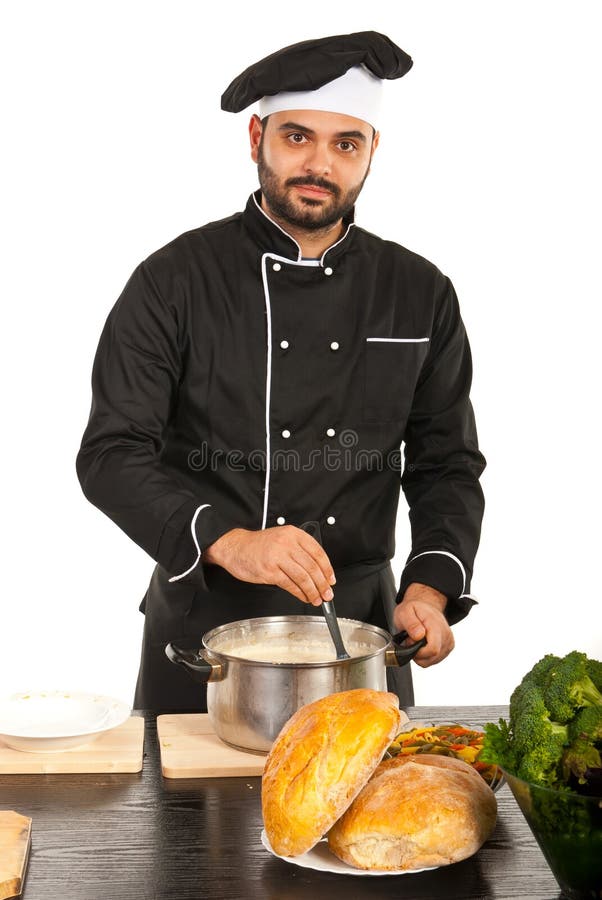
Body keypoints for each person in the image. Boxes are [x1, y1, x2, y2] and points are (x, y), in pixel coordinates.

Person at [76, 31, 486, 712]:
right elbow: (111, 454)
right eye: (297, 138)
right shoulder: (174, 281)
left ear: (371, 151)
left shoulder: (419, 290)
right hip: (204, 629)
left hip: (358, 630)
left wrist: (427, 592)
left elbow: (446, 464)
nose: (319, 164)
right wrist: (231, 542)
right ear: (257, 136)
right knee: (182, 819)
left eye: (345, 143)